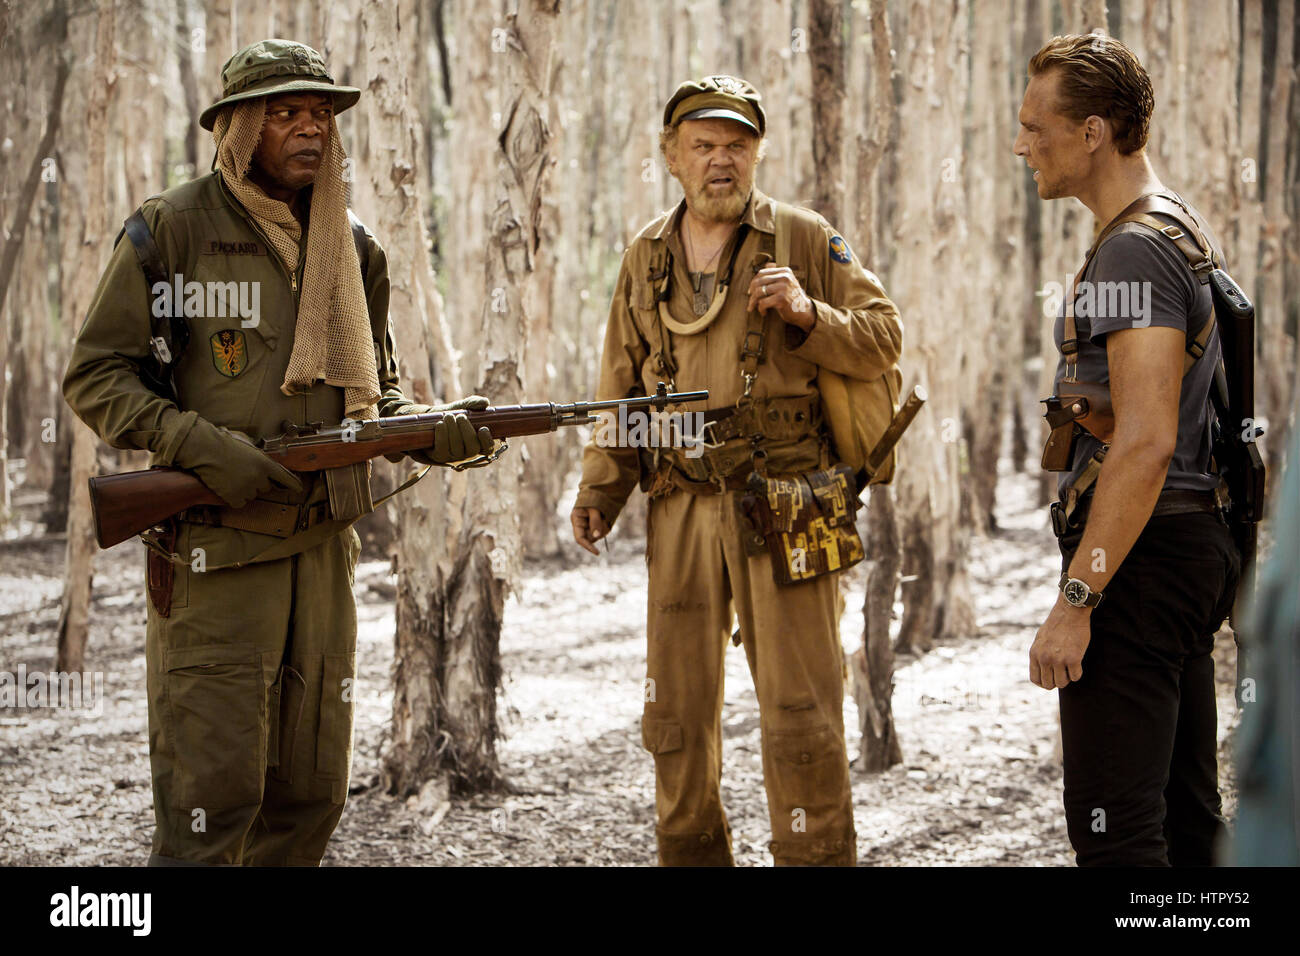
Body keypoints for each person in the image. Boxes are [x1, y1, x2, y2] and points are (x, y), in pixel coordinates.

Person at [63, 39, 494, 866]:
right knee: (209, 808)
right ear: (236, 128)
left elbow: (379, 392)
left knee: (309, 801)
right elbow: (96, 375)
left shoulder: (355, 248)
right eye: (285, 112)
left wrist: (438, 431)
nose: (309, 128)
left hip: (323, 557)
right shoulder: (171, 231)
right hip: (218, 560)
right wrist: (194, 443)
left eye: (321, 114)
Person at [570, 75, 903, 866]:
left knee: (803, 710)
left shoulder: (805, 237)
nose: (722, 161)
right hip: (680, 501)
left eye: (737, 145)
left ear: (758, 152)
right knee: (676, 715)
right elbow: (620, 381)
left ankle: (815, 855)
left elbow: (884, 336)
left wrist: (807, 313)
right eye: (704, 145)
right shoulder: (645, 255)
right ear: (672, 156)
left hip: (787, 498)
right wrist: (601, 486)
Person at [1016, 34, 1241, 866]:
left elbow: (1145, 443)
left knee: (1116, 832)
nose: (1020, 144)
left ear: (1093, 133)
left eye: (1036, 126)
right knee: (1187, 819)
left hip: (1143, 558)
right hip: (1177, 549)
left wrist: (1077, 599)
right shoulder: (1170, 224)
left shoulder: (1134, 247)